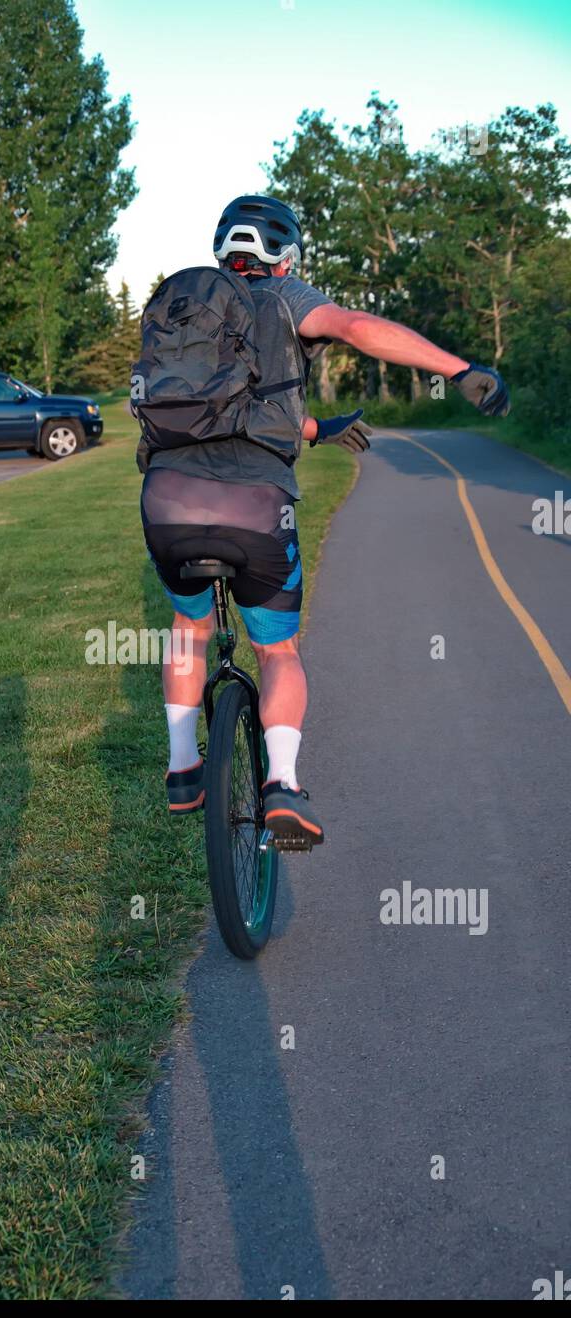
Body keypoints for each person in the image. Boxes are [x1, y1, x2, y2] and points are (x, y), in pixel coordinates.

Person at [140, 194, 509, 846]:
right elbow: (357, 326)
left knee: (187, 625)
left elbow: (212, 408)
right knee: (277, 650)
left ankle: (181, 768)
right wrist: (460, 368)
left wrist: (313, 428)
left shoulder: (188, 306)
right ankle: (281, 783)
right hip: (253, 507)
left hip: (167, 499)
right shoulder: (286, 298)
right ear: (284, 257)